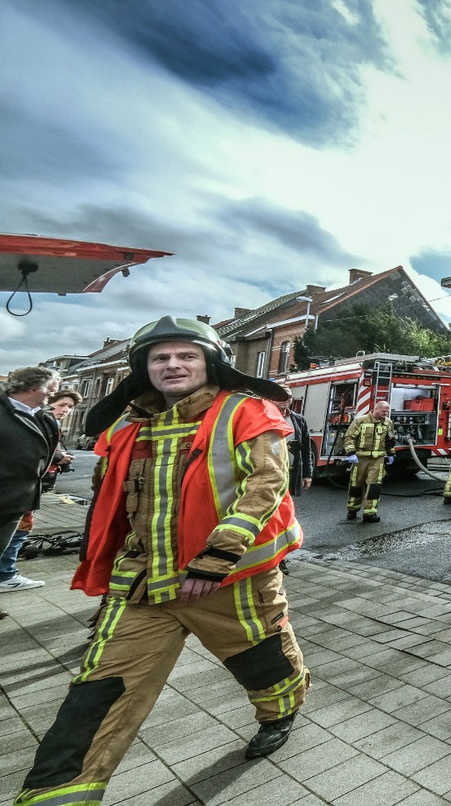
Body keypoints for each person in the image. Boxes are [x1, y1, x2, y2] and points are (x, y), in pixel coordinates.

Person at [16, 316, 308, 806]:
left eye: (186, 355)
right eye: (160, 357)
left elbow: (265, 486)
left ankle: (280, 712)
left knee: (264, 661)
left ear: (209, 361)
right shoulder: (129, 427)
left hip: (230, 583)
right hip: (142, 584)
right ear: (144, 368)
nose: (173, 364)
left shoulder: (245, 412)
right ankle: (58, 794)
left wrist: (214, 559)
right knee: (98, 692)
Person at [0, 368, 61, 606]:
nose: (53, 396)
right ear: (34, 388)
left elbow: (37, 448)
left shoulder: (42, 416)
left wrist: (56, 458)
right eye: (51, 389)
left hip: (17, 500)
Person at [343, 399, 393, 522]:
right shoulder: (360, 421)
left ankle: (370, 513)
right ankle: (352, 509)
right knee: (356, 484)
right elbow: (349, 437)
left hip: (378, 459)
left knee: (374, 485)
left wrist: (391, 453)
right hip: (360, 458)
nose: (386, 414)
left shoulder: (388, 423)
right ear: (376, 409)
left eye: (387, 412)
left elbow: (390, 440)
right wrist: (351, 453)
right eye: (383, 411)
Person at [40, 388, 81, 492]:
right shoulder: (39, 422)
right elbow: (32, 450)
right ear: (48, 403)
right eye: (62, 405)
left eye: (70, 406)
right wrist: (59, 457)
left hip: (44, 479)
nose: (66, 410)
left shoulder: (54, 424)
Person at [282, 403, 315, 498]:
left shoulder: (299, 420)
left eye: (288, 396)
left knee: (287, 505)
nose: (284, 399)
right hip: (271, 472)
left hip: (291, 470)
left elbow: (306, 449)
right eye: (280, 395)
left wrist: (307, 474)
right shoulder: (264, 417)